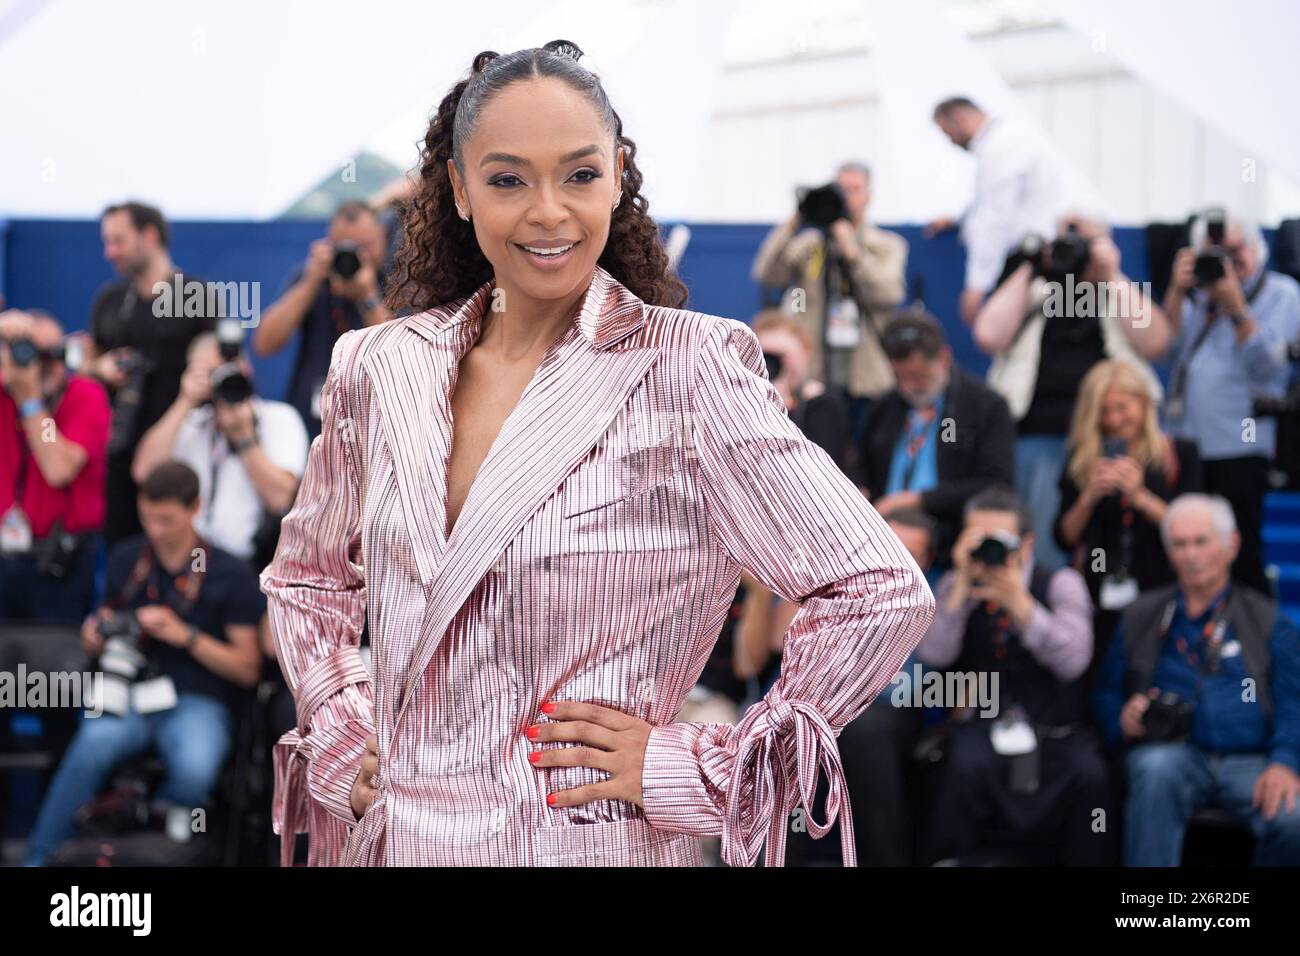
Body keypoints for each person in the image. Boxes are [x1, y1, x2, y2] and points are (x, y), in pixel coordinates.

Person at [260, 40, 934, 869]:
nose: (549, 212)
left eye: (579, 174)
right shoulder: (378, 364)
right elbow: (307, 579)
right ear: (461, 190)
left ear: (617, 176)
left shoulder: (688, 368)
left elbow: (879, 590)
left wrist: (705, 769)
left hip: (585, 846)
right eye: (508, 180)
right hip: (397, 845)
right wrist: (338, 733)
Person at [22, 461, 264, 866]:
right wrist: (95, 636)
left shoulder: (227, 571)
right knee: (90, 746)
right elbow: (103, 623)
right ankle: (41, 857)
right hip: (129, 692)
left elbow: (248, 668)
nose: (156, 530)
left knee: (195, 766)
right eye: (147, 518)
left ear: (195, 508)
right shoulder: (128, 558)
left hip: (198, 699)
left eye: (166, 520)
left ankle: (154, 851)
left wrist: (185, 636)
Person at [1093, 494, 1300, 866]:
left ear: (1231, 545)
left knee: (1293, 817)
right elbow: (1105, 692)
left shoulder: (1268, 619)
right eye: (1180, 544)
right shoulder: (1141, 615)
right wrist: (1121, 718)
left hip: (1250, 760)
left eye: (1201, 542)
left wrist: (1285, 762)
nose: (1191, 555)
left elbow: (1293, 702)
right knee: (1155, 770)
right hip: (1173, 754)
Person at [916, 486, 1113, 865]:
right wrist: (960, 587)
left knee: (1089, 776)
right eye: (979, 538)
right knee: (961, 768)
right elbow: (933, 655)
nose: (989, 549)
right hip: (983, 722)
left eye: (999, 540)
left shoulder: (1059, 582)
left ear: (1026, 543)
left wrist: (1020, 603)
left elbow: (1074, 661)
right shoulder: (956, 584)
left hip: (1053, 726)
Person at [972, 212, 1168, 571]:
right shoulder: (1035, 288)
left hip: (1108, 438)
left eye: (1084, 240)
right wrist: (1032, 266)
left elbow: (1157, 342)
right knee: (1041, 536)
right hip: (1039, 434)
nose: (1074, 249)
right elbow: (987, 336)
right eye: (1065, 239)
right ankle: (1042, 587)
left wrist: (1111, 273)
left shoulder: (1113, 291)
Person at [1156, 213, 1300, 595]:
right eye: (1214, 254)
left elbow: (1271, 368)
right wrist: (1176, 291)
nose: (1225, 263)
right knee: (1185, 547)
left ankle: (1252, 627)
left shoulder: (1281, 293)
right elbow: (1164, 350)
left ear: (1256, 249)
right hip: (1187, 441)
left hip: (1242, 441)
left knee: (1242, 551)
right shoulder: (1196, 296)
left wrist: (1236, 306)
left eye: (1234, 252)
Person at [1055, 359, 1203, 689]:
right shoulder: (1082, 458)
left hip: (1162, 590)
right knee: (1098, 685)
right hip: (1098, 593)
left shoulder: (1179, 454)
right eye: (1104, 412)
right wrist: (1089, 496)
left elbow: (1192, 531)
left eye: (1122, 408)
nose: (1114, 420)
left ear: (1143, 402)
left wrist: (1140, 498)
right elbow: (1064, 537)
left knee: (1155, 680)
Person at [85, 201, 218, 545]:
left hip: (178, 454)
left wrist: (200, 366)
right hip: (119, 457)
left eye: (119, 241)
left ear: (150, 236)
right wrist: (100, 368)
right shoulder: (110, 301)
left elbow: (214, 360)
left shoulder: (196, 295)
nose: (110, 252)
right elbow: (86, 361)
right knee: (123, 555)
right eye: (106, 242)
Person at [751, 160, 907, 440]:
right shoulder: (810, 246)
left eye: (855, 189)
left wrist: (853, 253)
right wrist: (795, 220)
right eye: (841, 189)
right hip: (816, 377)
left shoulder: (886, 245)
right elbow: (767, 273)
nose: (847, 197)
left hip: (865, 379)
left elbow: (889, 293)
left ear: (868, 196)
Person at [132, 333, 308, 565]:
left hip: (251, 562)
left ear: (247, 370)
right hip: (192, 560)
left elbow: (281, 500)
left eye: (229, 369)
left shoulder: (278, 419)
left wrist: (243, 436)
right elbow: (144, 472)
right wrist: (184, 402)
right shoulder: (190, 423)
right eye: (212, 372)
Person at [858, 311, 1015, 568]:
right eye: (901, 377)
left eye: (919, 377)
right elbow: (862, 468)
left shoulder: (985, 406)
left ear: (944, 357)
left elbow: (997, 484)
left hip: (950, 542)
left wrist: (921, 500)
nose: (910, 386)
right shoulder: (885, 408)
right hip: (882, 535)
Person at [252, 201, 394, 441]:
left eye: (365, 247)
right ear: (329, 243)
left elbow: (396, 353)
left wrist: (367, 297)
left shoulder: (397, 279)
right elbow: (264, 343)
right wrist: (310, 282)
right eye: (346, 247)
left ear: (382, 237)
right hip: (312, 426)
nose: (357, 257)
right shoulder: (312, 278)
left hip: (375, 424)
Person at [0, 310, 110, 621]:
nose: (48, 366)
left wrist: (30, 401)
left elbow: (57, 468)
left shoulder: (85, 394)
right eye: (35, 354)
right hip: (6, 555)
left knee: (54, 650)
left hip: (60, 561)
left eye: (56, 354)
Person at [929, 96, 1064, 325]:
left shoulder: (1000, 147)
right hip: (1030, 258)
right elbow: (996, 202)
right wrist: (959, 220)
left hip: (1025, 262)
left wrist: (976, 285)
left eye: (948, 133)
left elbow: (994, 217)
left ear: (960, 118)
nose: (951, 142)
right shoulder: (1007, 139)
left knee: (1005, 337)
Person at [751, 308, 851, 472]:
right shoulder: (747, 404)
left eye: (780, 355)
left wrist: (784, 405)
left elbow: (816, 465)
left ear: (805, 352)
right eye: (765, 356)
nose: (772, 364)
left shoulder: (824, 404)